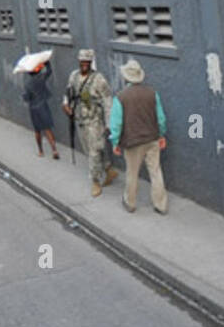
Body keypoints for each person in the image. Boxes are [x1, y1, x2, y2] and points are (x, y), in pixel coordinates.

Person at [110, 58, 167, 214]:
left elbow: (116, 124)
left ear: (126, 77)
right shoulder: (152, 93)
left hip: (133, 142)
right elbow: (161, 119)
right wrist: (161, 135)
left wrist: (115, 142)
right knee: (156, 171)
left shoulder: (120, 97)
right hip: (152, 138)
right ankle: (161, 205)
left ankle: (130, 202)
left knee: (132, 173)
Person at [63, 48, 117, 198]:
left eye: (87, 62)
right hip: (79, 119)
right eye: (82, 62)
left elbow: (108, 101)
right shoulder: (73, 76)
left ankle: (95, 181)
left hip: (95, 121)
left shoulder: (98, 79)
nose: (84, 64)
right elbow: (68, 93)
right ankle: (109, 169)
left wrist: (109, 123)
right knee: (90, 149)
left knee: (94, 151)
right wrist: (66, 105)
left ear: (91, 62)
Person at [23, 59, 59, 159]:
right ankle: (54, 150)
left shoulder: (27, 84)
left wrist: (25, 96)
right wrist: (46, 62)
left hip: (33, 108)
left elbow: (27, 97)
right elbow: (49, 71)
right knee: (48, 129)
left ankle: (40, 151)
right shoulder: (41, 78)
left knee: (37, 130)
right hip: (43, 105)